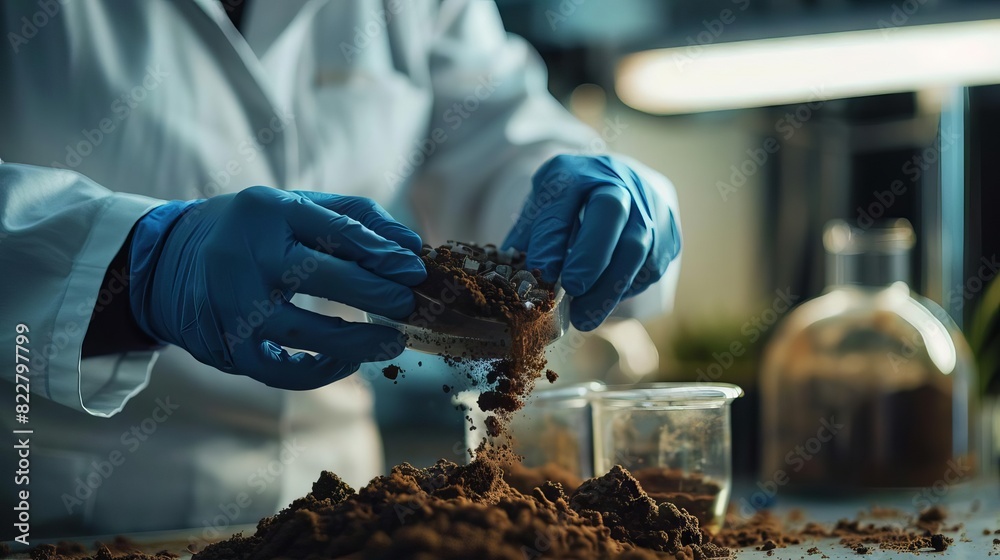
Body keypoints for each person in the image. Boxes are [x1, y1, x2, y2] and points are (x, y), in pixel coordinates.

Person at [0, 0, 681, 538]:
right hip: (60, 509)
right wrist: (134, 261)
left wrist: (590, 199)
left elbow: (495, 133)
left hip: (337, 514)